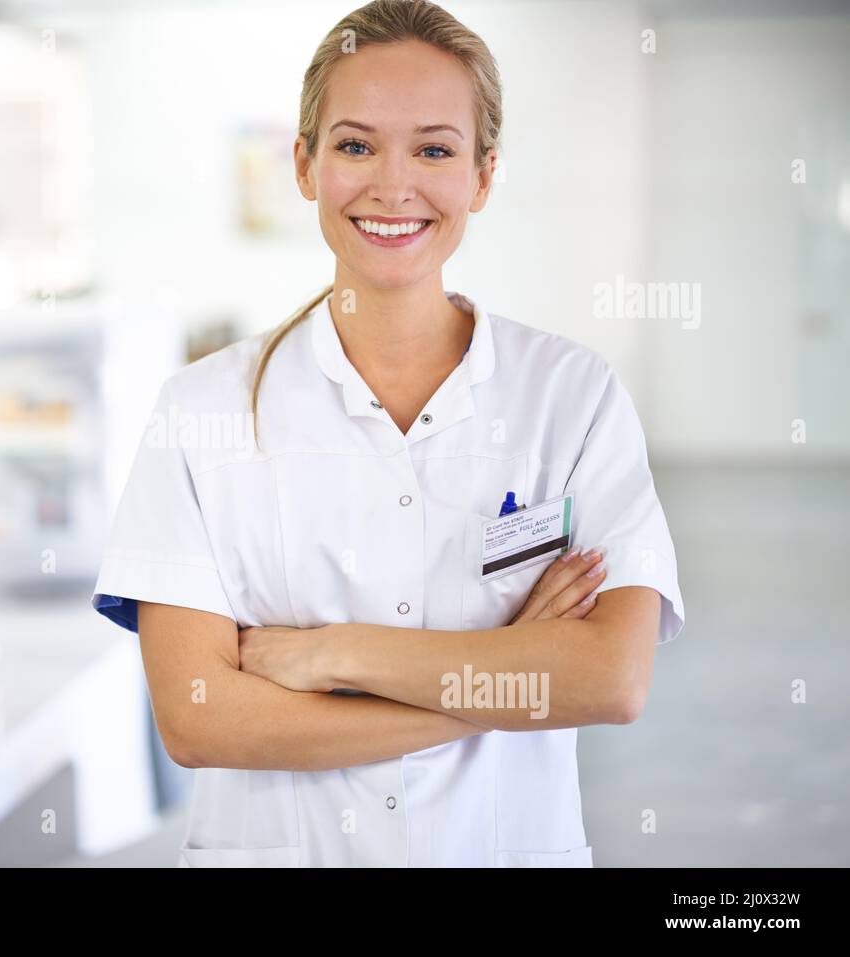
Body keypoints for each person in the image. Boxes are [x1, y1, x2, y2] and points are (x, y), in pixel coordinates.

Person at [91, 0, 685, 867]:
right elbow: (196, 715)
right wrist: (509, 675)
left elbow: (610, 680)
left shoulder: (574, 397)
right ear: (304, 164)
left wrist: (334, 655)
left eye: (436, 149)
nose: (392, 185)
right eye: (356, 144)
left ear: (483, 176)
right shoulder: (201, 412)